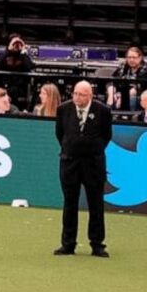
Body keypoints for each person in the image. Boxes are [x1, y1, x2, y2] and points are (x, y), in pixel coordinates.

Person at [54, 79, 113, 258]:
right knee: (69, 204)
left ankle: (97, 244)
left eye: (82, 95)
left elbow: (106, 136)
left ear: (90, 96)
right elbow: (60, 134)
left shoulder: (103, 111)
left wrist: (92, 150)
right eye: (75, 94)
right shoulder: (63, 109)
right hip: (69, 163)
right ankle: (68, 243)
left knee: (95, 204)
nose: (77, 97)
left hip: (93, 164)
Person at [0, 35, 38, 106]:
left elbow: (30, 66)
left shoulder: (23, 56)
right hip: (3, 84)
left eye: (18, 43)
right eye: (14, 43)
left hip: (19, 86)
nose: (16, 45)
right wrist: (8, 50)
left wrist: (23, 52)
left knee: (14, 90)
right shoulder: (3, 54)